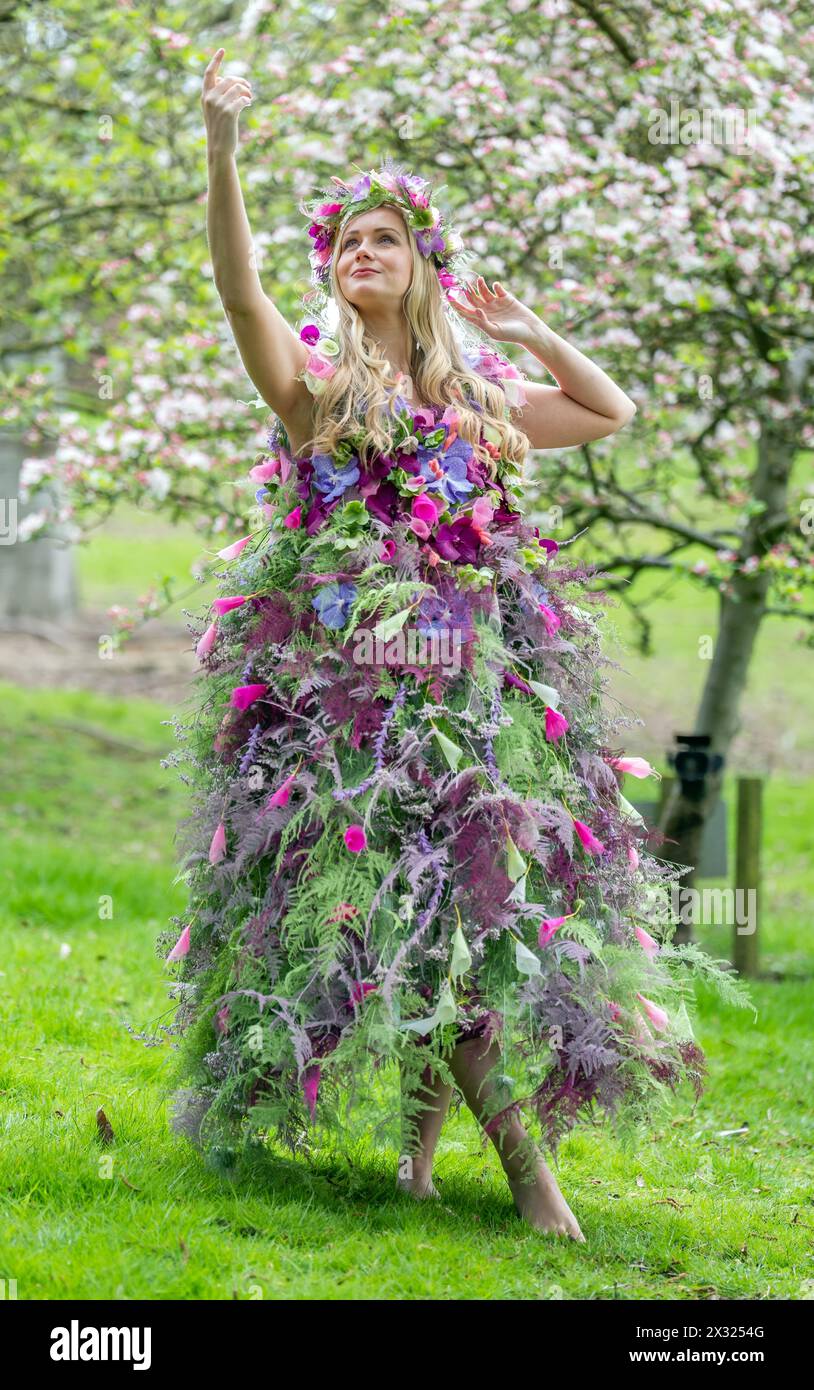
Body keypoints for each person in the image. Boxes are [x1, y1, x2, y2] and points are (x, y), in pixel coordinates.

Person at [151, 49, 743, 1245]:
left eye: (382, 240)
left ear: (421, 263)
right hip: (352, 686)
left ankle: (423, 1172)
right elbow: (239, 297)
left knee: (462, 905)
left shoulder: (467, 391)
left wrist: (523, 326)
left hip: (476, 673)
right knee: (412, 906)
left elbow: (605, 410)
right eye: (344, 244)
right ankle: (529, 1176)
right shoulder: (318, 390)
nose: (356, 255)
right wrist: (221, 159)